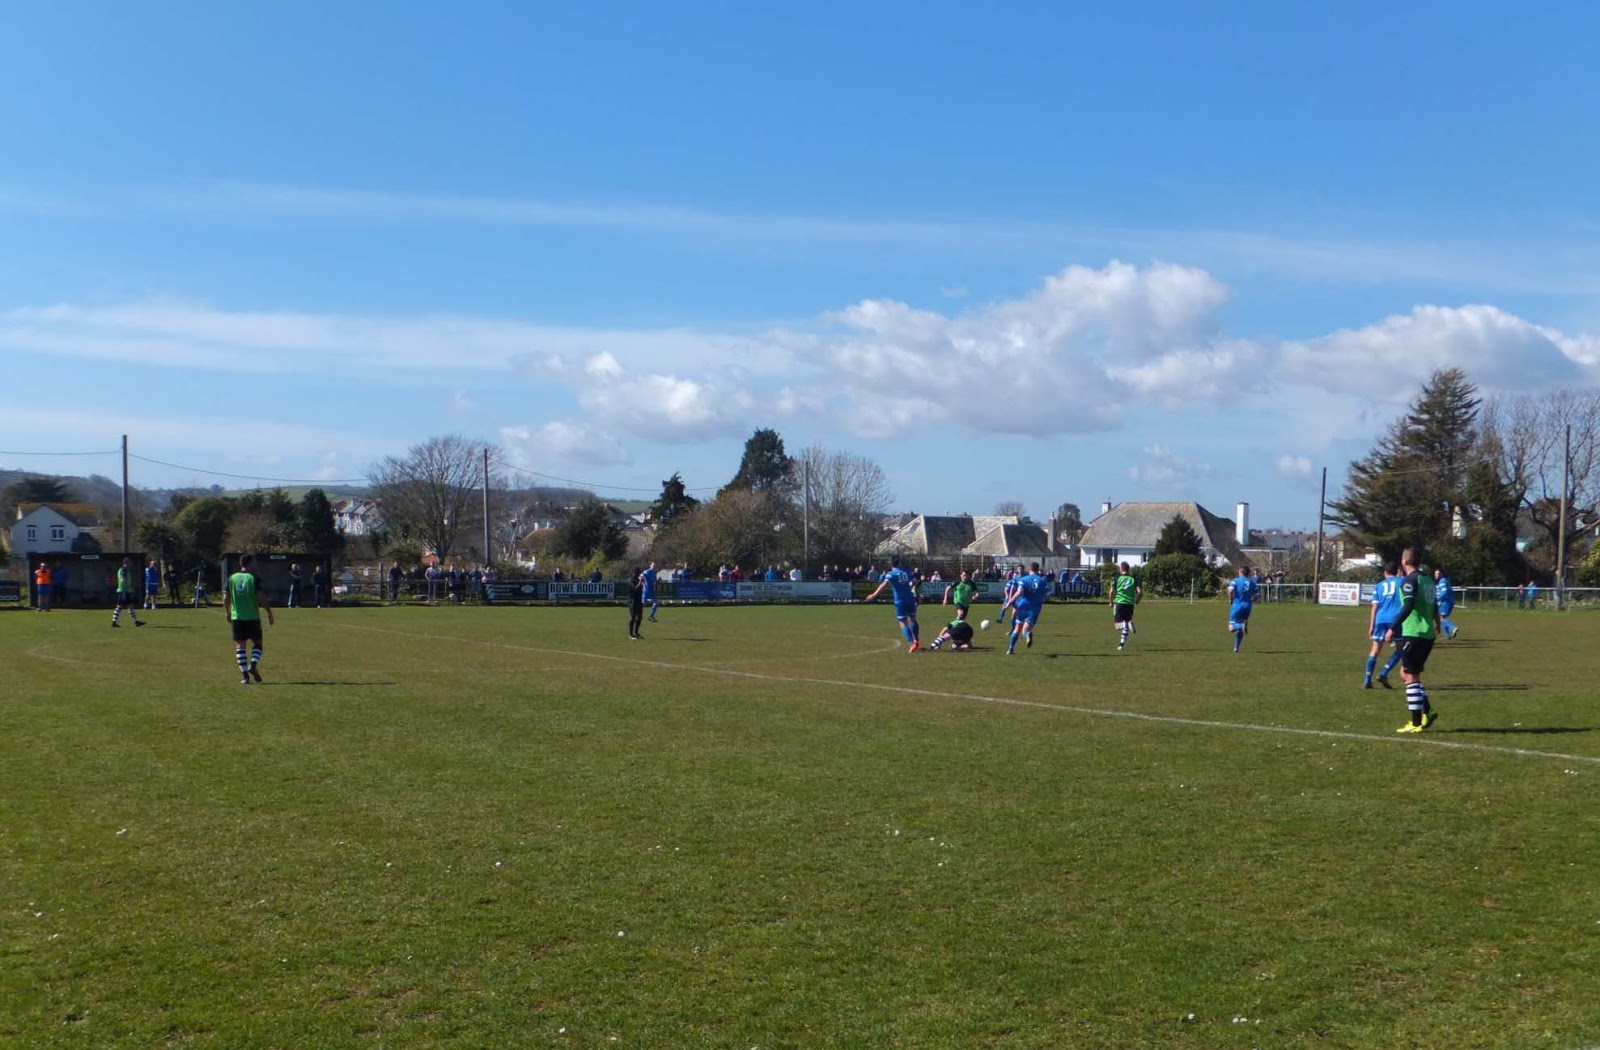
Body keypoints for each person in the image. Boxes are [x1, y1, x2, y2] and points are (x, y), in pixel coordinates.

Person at [1390, 548, 1440, 733]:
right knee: (1406, 673)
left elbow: (1408, 606)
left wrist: (1393, 627)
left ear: (1404, 561)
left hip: (1414, 633)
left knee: (1411, 677)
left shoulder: (1409, 580)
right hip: (1427, 634)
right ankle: (1428, 709)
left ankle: (1416, 723)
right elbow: (1435, 604)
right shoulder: (1427, 580)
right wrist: (1438, 623)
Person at [226, 553, 275, 684]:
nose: (256, 564)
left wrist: (227, 612)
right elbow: (261, 598)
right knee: (258, 644)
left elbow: (226, 598)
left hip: (238, 617)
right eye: (254, 562)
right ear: (248, 563)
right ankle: (252, 664)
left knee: (240, 646)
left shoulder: (232, 578)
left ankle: (245, 677)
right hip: (252, 617)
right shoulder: (254, 578)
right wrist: (269, 612)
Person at [863, 554, 920, 652]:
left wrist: (874, 595)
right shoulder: (906, 572)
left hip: (900, 600)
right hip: (910, 598)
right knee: (913, 619)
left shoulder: (891, 574)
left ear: (891, 564)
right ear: (899, 562)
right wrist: (909, 586)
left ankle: (912, 643)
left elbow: (883, 585)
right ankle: (917, 639)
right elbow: (915, 581)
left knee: (903, 622)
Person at [1364, 562, 1404, 689]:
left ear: (1385, 573)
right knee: (1400, 649)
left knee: (1375, 650)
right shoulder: (1402, 583)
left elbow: (1374, 607)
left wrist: (1372, 625)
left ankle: (1367, 680)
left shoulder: (1379, 585)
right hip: (1396, 619)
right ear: (1396, 571)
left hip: (1380, 619)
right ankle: (1384, 673)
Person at [1001, 562, 1051, 654]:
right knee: (1025, 629)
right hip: (1035, 608)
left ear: (1030, 569)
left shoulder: (1024, 579)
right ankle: (1027, 634)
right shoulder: (1042, 581)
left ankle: (1011, 649)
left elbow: (1019, 592)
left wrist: (1009, 602)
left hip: (1023, 605)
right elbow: (1047, 594)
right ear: (1038, 569)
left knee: (1017, 628)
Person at [1226, 564, 1258, 653]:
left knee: (1231, 628)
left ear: (1241, 572)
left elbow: (1231, 590)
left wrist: (1231, 600)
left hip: (1237, 605)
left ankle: (1241, 626)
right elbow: (1257, 595)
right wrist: (1251, 599)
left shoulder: (1235, 580)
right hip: (1248, 606)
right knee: (1241, 627)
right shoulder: (1252, 582)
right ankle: (1236, 648)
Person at [1111, 562, 1142, 650]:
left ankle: (1127, 624)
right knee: (1127, 624)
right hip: (1130, 604)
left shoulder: (1117, 578)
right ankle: (1121, 644)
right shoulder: (1134, 579)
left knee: (1118, 626)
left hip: (1120, 603)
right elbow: (1140, 592)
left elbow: (1111, 592)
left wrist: (1110, 602)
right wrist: (1137, 600)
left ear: (1121, 569)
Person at [111, 558, 145, 627]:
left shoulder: (120, 569)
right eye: (130, 562)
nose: (131, 564)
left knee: (127, 606)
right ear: (126, 563)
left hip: (123, 590)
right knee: (123, 606)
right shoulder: (124, 570)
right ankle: (114, 622)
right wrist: (127, 588)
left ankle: (136, 621)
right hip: (125, 591)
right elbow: (123, 579)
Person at [1434, 568, 1459, 639]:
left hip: (1445, 601)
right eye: (1435, 574)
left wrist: (1437, 599)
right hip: (1449, 601)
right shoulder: (1445, 581)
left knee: (1440, 618)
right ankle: (1447, 636)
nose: (1436, 575)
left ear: (1441, 574)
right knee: (1443, 618)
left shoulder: (1442, 581)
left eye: (1438, 574)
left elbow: (1444, 592)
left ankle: (1453, 627)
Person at [627, 566, 645, 640]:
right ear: (635, 572)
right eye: (638, 572)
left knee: (640, 616)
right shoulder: (631, 580)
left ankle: (636, 632)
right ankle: (631, 634)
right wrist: (640, 582)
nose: (639, 574)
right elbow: (635, 589)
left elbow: (643, 588)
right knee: (633, 617)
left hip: (639, 600)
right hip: (632, 601)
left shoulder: (639, 579)